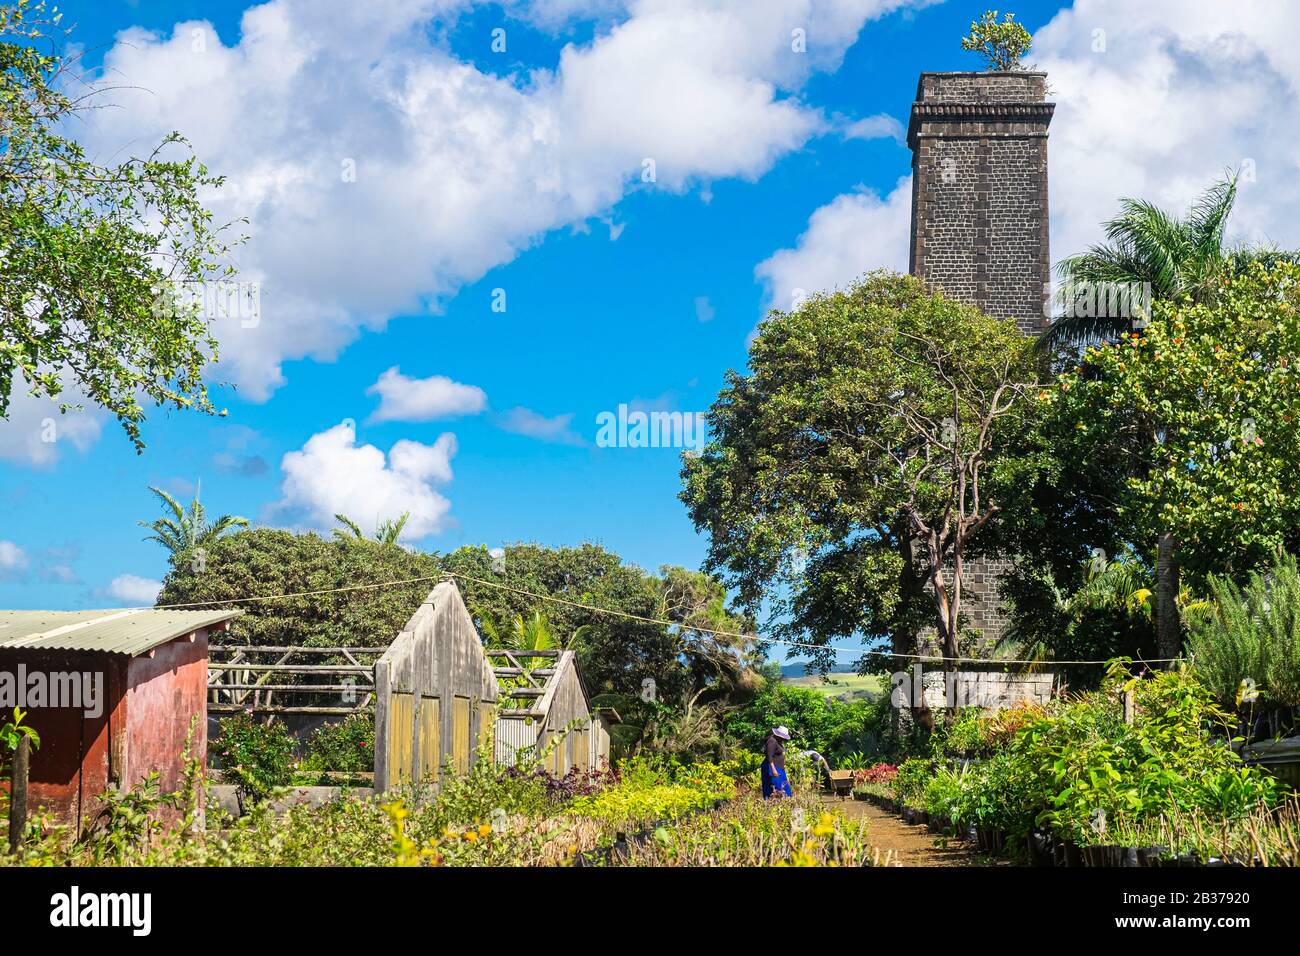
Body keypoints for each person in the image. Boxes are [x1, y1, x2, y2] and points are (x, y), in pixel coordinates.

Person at [761, 726, 793, 799]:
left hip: (779, 767)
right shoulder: (772, 741)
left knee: (784, 786)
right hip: (772, 767)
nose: (784, 738)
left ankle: (785, 803)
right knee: (775, 787)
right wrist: (773, 769)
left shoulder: (778, 741)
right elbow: (769, 756)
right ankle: (771, 803)